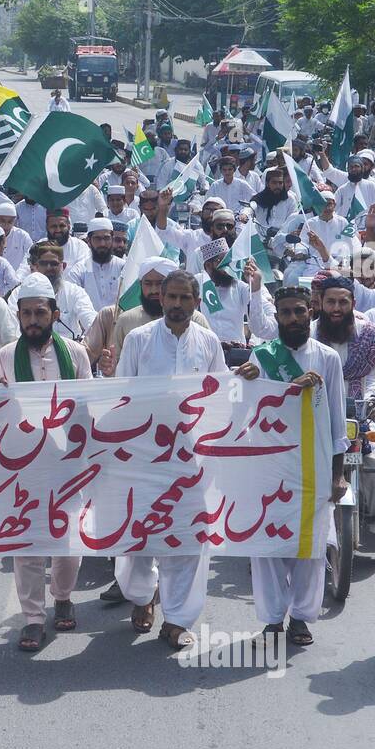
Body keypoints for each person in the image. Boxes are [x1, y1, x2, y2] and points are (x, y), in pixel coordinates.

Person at [113, 271, 224, 647]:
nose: (177, 305)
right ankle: (143, 597)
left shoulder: (208, 342)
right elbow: (122, 397)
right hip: (144, 458)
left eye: (184, 298)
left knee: (187, 540)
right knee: (138, 538)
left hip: (192, 461)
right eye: (171, 297)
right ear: (161, 299)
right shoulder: (138, 340)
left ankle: (177, 619)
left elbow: (219, 397)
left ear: (196, 302)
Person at [235, 286, 347, 645]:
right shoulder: (262, 355)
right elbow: (245, 412)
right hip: (269, 465)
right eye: (285, 313)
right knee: (266, 547)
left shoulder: (327, 358)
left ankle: (300, 617)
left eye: (299, 311)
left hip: (313, 466)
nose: (294, 319)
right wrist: (243, 383)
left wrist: (339, 473)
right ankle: (271, 620)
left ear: (310, 312)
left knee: (309, 547)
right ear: (277, 317)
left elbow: (336, 420)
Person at [0, 273, 93, 652]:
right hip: (25, 464)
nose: (33, 320)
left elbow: (87, 406)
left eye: (40, 313)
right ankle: (33, 618)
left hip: (69, 461)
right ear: (17, 316)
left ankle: (63, 595)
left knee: (68, 540)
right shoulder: (3, 357)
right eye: (26, 314)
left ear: (55, 313)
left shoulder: (77, 354)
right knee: (28, 543)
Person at [314, 274, 375, 556]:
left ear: (353, 303)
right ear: (320, 303)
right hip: (315, 417)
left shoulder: (368, 332)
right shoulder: (310, 333)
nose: (336, 308)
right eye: (330, 302)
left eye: (342, 302)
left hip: (358, 416)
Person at [6, 243, 96, 340]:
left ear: (63, 266)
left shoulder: (75, 292)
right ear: (36, 266)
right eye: (44, 264)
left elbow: (92, 322)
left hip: (69, 350)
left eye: (54, 264)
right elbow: (12, 328)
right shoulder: (19, 293)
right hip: (30, 348)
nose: (49, 268)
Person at [66, 218, 127, 310]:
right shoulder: (79, 270)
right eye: (97, 239)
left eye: (106, 238)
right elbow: (71, 299)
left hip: (119, 322)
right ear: (89, 241)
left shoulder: (123, 267)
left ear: (112, 239)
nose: (102, 243)